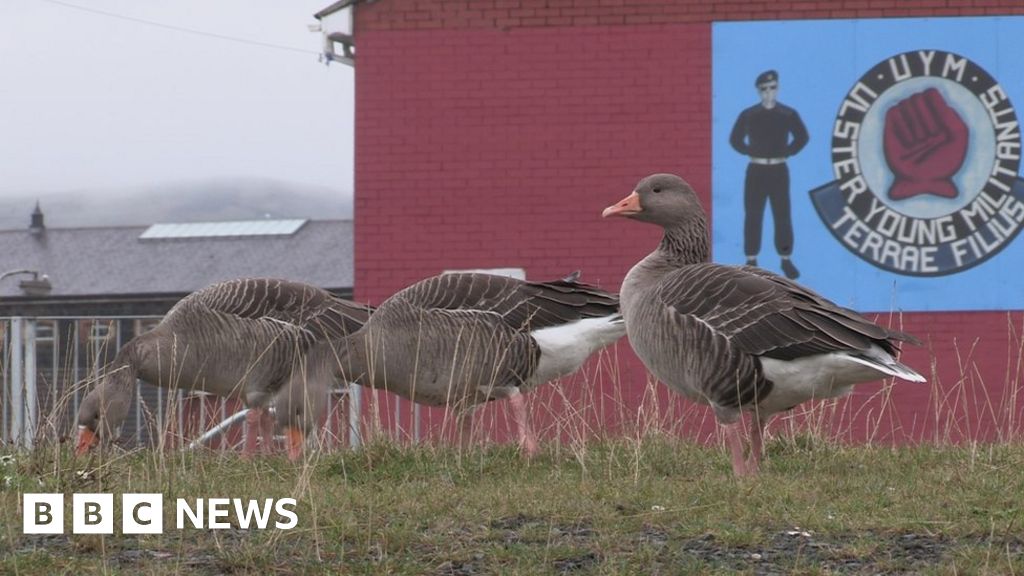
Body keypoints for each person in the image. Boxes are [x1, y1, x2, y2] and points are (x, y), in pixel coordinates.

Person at [729, 70, 808, 279]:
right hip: (756, 169)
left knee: (782, 214)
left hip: (779, 170)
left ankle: (785, 258)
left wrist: (788, 151)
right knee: (753, 214)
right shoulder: (749, 115)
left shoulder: (787, 114)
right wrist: (750, 151)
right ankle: (751, 257)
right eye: (764, 89)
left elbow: (802, 137)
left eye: (772, 88)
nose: (768, 93)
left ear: (777, 88)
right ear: (758, 91)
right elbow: (735, 139)